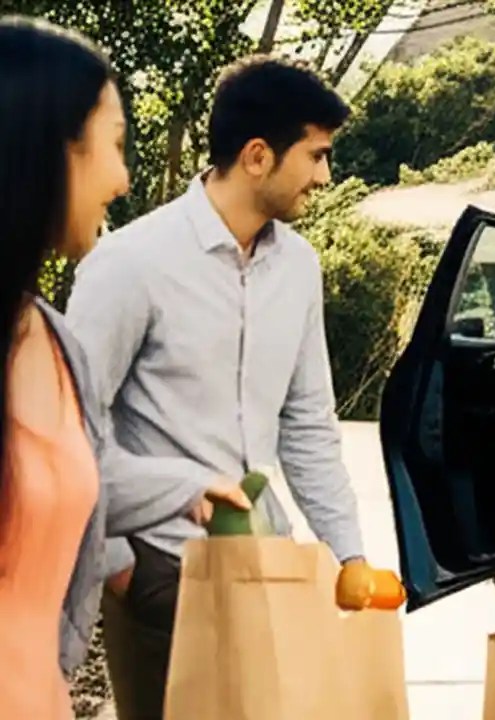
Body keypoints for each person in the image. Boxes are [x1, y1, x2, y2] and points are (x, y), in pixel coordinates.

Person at [64, 55, 377, 720]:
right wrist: (120, 567)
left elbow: (309, 425)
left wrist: (349, 553)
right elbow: (73, 428)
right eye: (317, 156)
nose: (325, 176)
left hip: (267, 565)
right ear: (258, 156)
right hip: (158, 570)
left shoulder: (299, 268)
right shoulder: (130, 265)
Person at [0, 17, 251, 720]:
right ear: (41, 150)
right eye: (110, 144)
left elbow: (77, 471)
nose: (122, 178)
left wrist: (187, 487)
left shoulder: (53, 342)